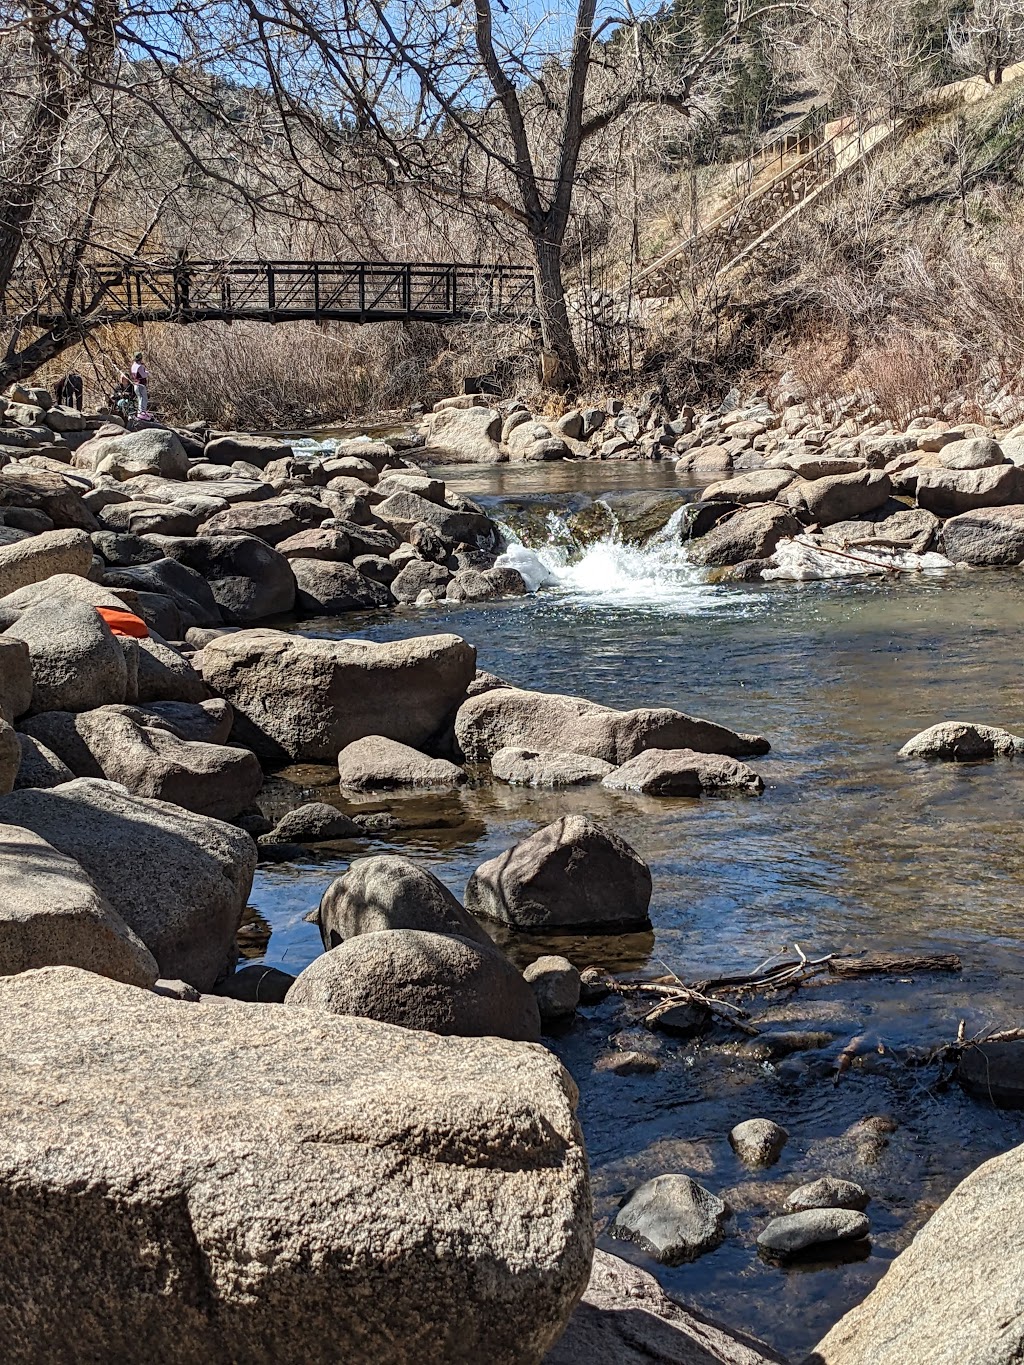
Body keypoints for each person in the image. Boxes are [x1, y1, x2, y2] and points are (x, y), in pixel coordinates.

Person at [130, 351, 150, 416]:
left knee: (139, 398)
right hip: (140, 385)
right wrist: (147, 372)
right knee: (143, 398)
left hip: (135, 384)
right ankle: (142, 413)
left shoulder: (133, 366)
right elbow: (143, 375)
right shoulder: (139, 366)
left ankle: (140, 412)